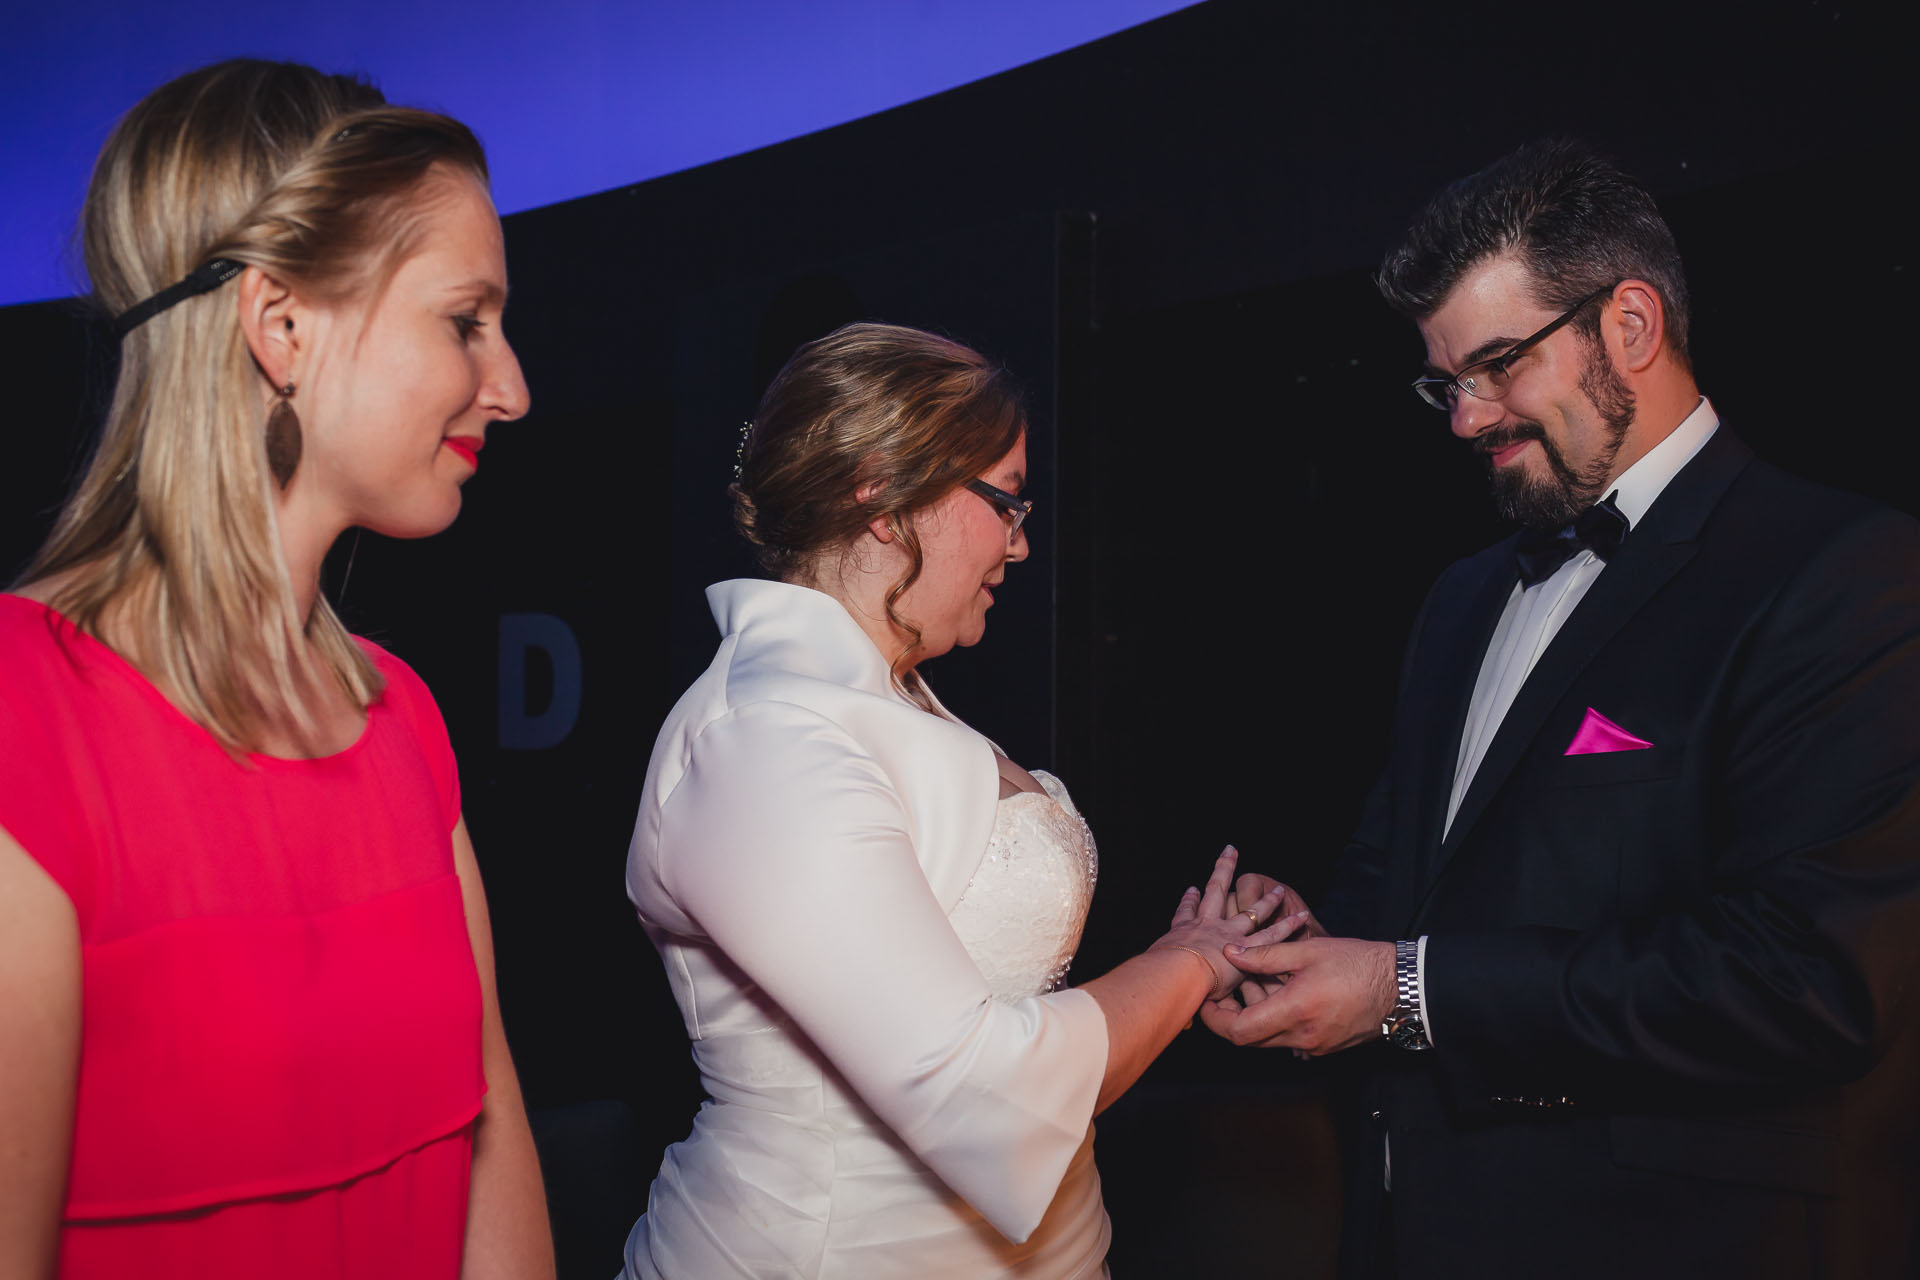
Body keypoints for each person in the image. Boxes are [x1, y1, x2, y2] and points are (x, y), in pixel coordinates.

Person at [1204, 139, 1920, 1278]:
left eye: (1496, 365)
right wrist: (1307, 938)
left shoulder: (1843, 573)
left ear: (1629, 325)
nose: (1465, 418)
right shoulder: (1462, 597)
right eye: (1447, 382)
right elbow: (1409, 883)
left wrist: (1402, 990)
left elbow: (1807, 981)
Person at [0, 60, 553, 1278]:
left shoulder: (403, 718)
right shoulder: (22, 718)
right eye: (465, 321)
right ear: (281, 325)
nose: (509, 388)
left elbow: (491, 1143)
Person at [622, 322, 1294, 1278]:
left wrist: (1193, 956)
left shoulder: (888, 693)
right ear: (885, 497)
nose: (1020, 546)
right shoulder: (763, 738)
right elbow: (982, 1096)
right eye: (1005, 502)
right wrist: (1188, 966)